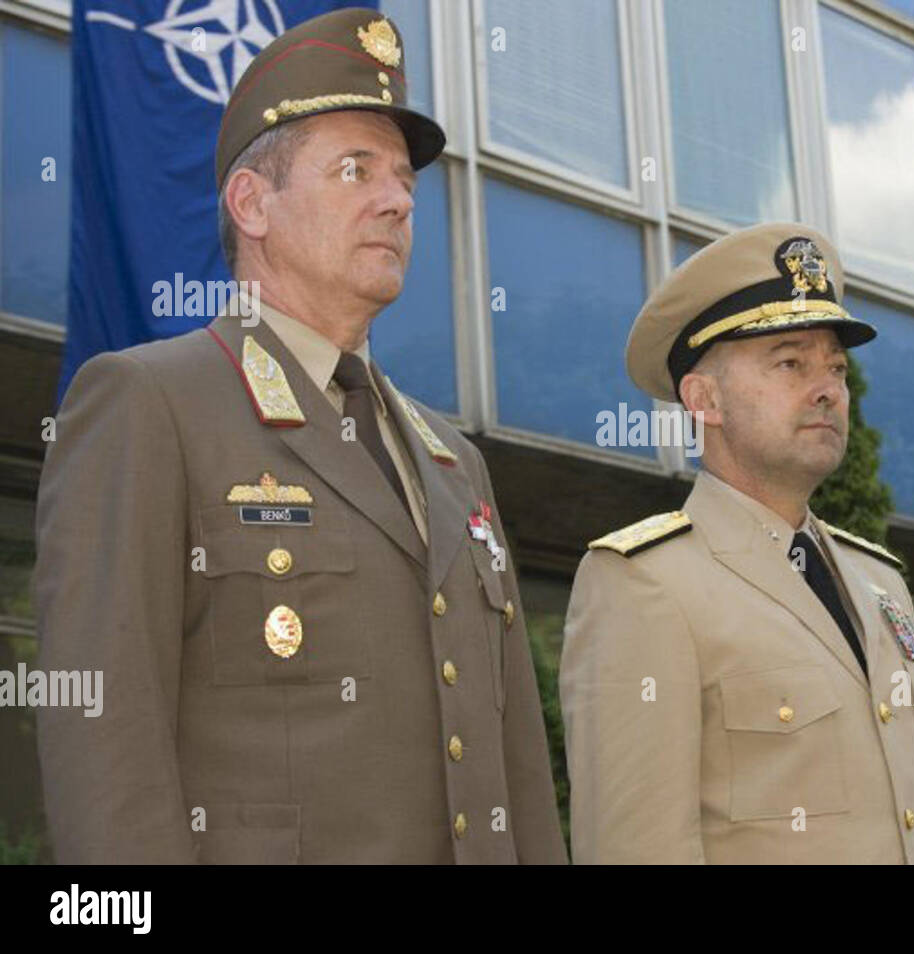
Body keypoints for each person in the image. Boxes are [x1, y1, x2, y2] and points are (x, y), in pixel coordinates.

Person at [34, 8, 566, 864]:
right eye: (355, 169)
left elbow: (518, 783)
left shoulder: (453, 462)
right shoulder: (148, 405)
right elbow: (104, 746)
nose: (395, 198)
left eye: (403, 180)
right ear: (253, 204)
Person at [560, 222, 914, 863]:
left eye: (836, 367)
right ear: (703, 398)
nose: (828, 388)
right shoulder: (643, 584)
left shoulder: (883, 583)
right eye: (791, 362)